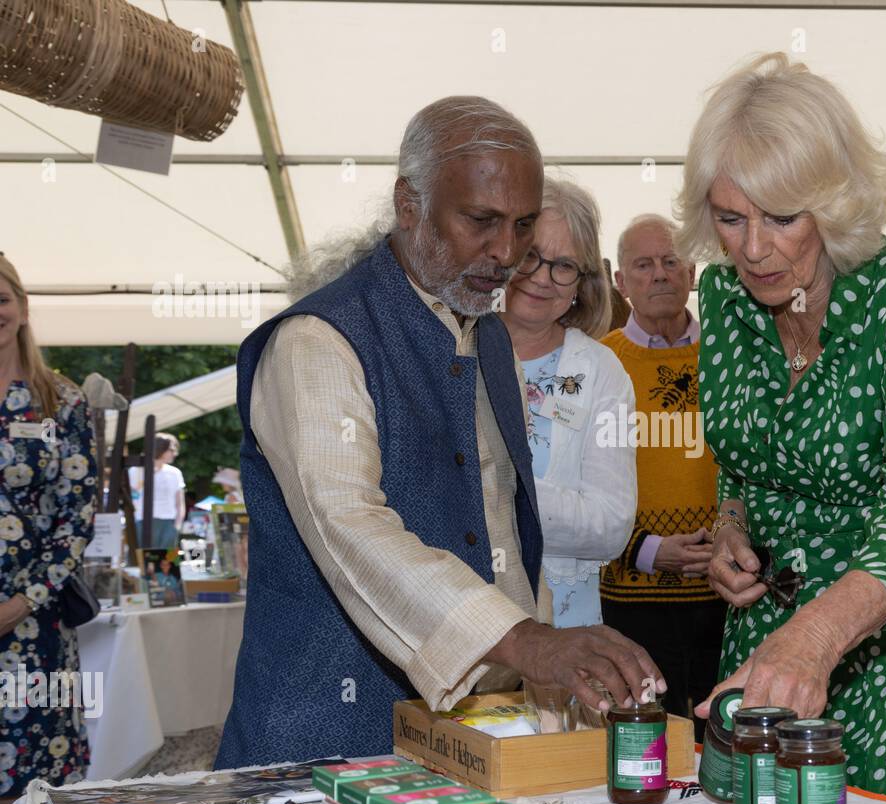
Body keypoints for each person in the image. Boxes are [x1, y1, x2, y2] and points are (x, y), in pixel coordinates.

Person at [215, 98, 662, 769]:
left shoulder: (487, 336)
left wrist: (541, 690)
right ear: (408, 204)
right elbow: (351, 525)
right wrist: (526, 641)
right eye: (480, 221)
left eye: (520, 227)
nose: (506, 253)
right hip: (318, 743)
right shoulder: (317, 342)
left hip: (455, 742)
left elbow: (504, 525)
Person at [686, 54, 886, 804]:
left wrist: (818, 637)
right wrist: (732, 525)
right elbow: (746, 455)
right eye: (732, 218)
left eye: (782, 217)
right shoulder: (725, 298)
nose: (753, 248)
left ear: (832, 206)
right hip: (775, 625)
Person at [600, 213, 723, 738]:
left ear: (692, 272)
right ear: (620, 282)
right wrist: (646, 550)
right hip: (632, 604)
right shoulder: (598, 365)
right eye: (643, 264)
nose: (659, 274)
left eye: (671, 261)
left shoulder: (733, 358)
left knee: (728, 745)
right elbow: (575, 491)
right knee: (645, 746)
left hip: (729, 598)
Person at [501, 178, 636, 627]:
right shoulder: (453, 350)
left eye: (563, 265)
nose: (542, 277)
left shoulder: (600, 371)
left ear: (581, 282)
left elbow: (612, 526)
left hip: (563, 629)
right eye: (531, 256)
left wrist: (493, 494)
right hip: (453, 620)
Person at [0, 253, 98, 804]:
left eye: (1, 298)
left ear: (23, 306)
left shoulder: (61, 403)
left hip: (33, 628)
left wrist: (20, 604)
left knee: (28, 792)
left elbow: (75, 520)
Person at [128, 433, 185, 550]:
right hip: (142, 522)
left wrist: (178, 525)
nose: (174, 453)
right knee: (143, 561)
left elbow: (180, 502)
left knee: (168, 562)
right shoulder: (136, 471)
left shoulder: (175, 473)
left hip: (169, 522)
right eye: (171, 450)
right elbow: (132, 497)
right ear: (160, 448)